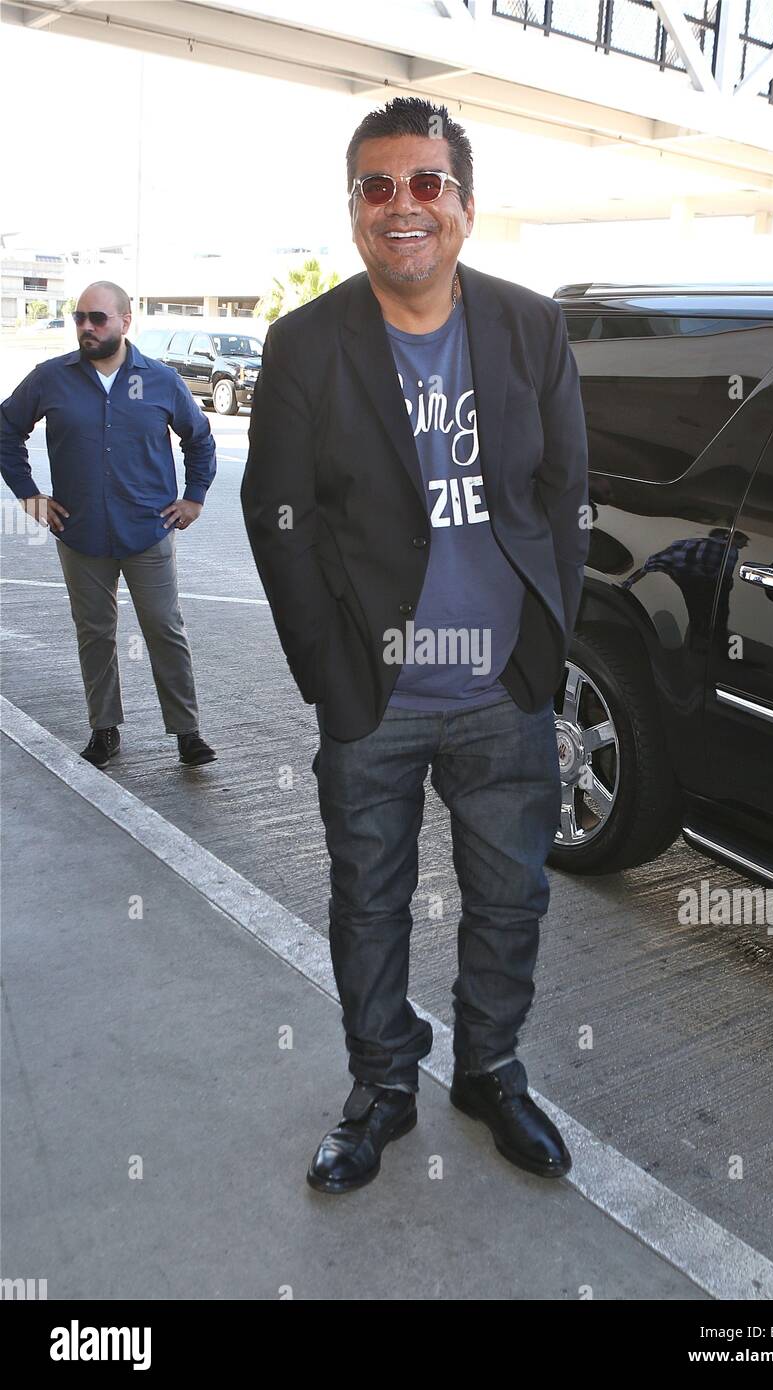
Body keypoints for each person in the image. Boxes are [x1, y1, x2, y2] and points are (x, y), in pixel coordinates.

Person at [241, 97, 589, 1194]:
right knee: (367, 903)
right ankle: (383, 1083)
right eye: (378, 187)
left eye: (426, 183)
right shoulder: (306, 342)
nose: (404, 205)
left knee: (511, 898)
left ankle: (489, 1067)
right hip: (376, 699)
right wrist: (330, 675)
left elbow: (567, 494)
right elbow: (276, 513)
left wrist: (544, 644)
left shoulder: (532, 328)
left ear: (465, 208)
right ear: (355, 214)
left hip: (503, 692)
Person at [0, 281, 218, 767]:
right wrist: (29, 495)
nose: (86, 327)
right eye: (79, 317)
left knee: (164, 628)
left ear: (124, 321)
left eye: (98, 318)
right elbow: (5, 430)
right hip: (81, 536)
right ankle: (104, 729)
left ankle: (187, 732)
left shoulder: (160, 380)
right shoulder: (50, 379)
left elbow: (199, 440)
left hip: (147, 532)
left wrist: (195, 498)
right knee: (94, 632)